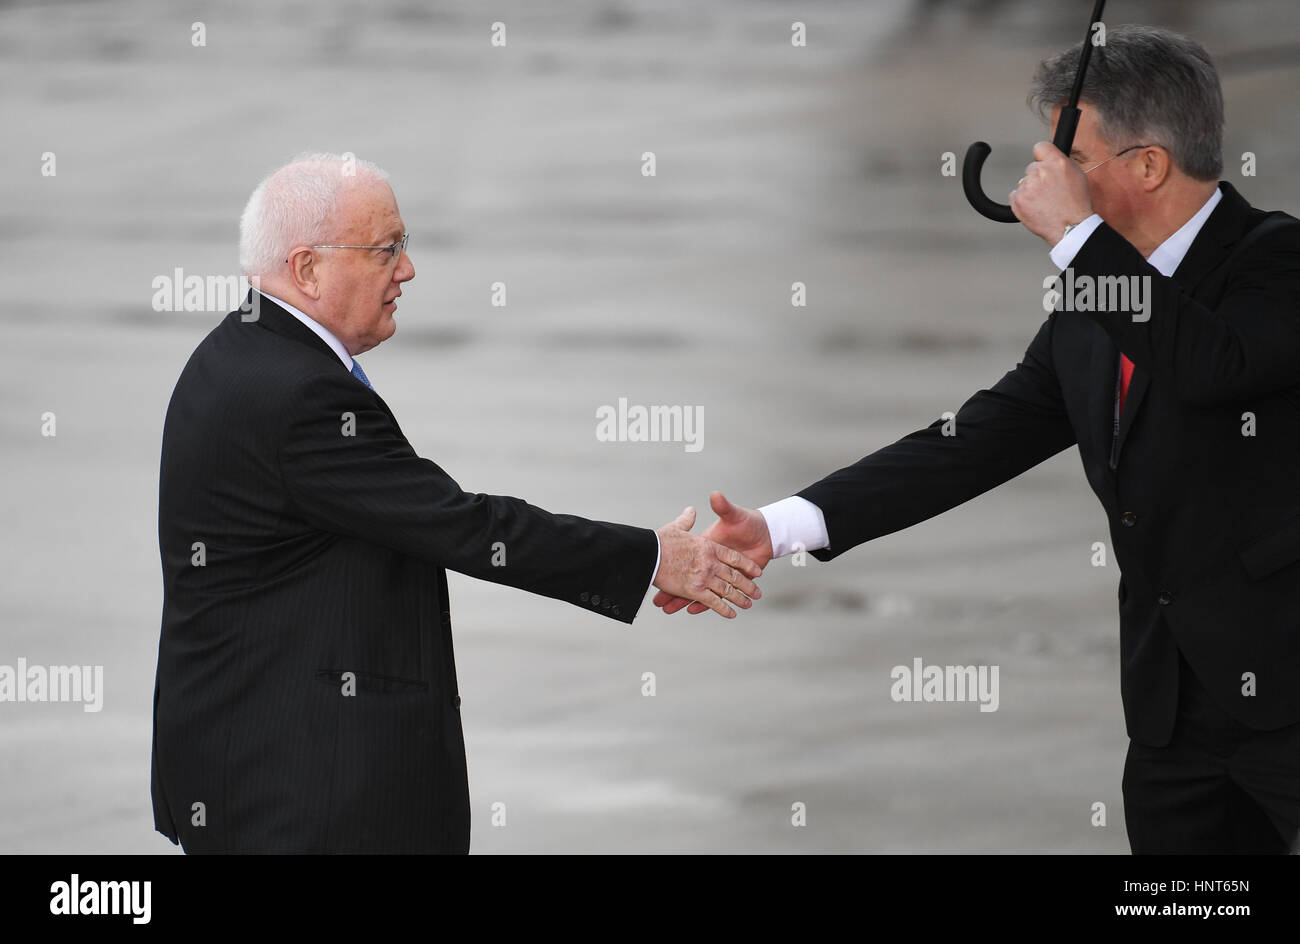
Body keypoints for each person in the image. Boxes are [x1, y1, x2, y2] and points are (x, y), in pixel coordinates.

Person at [656, 25, 1300, 854]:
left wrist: (1078, 241)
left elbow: (1212, 366)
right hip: (1173, 709)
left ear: (1148, 165)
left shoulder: (1277, 263)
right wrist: (781, 527)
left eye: (1073, 153)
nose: (1048, 173)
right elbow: (971, 443)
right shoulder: (1091, 302)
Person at [151, 152, 763, 854]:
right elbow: (462, 524)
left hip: (250, 768)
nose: (406, 271)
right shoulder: (299, 396)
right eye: (386, 250)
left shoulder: (235, 353)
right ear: (308, 269)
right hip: (303, 795)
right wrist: (653, 558)